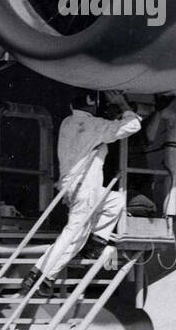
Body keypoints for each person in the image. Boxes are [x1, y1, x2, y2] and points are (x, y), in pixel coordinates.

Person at [26, 91, 142, 295]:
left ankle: (96, 243)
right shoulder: (94, 125)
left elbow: (92, 135)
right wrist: (122, 105)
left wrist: (109, 118)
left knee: (115, 201)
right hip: (85, 188)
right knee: (75, 234)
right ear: (90, 102)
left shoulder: (68, 123)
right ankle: (42, 274)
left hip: (73, 186)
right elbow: (133, 125)